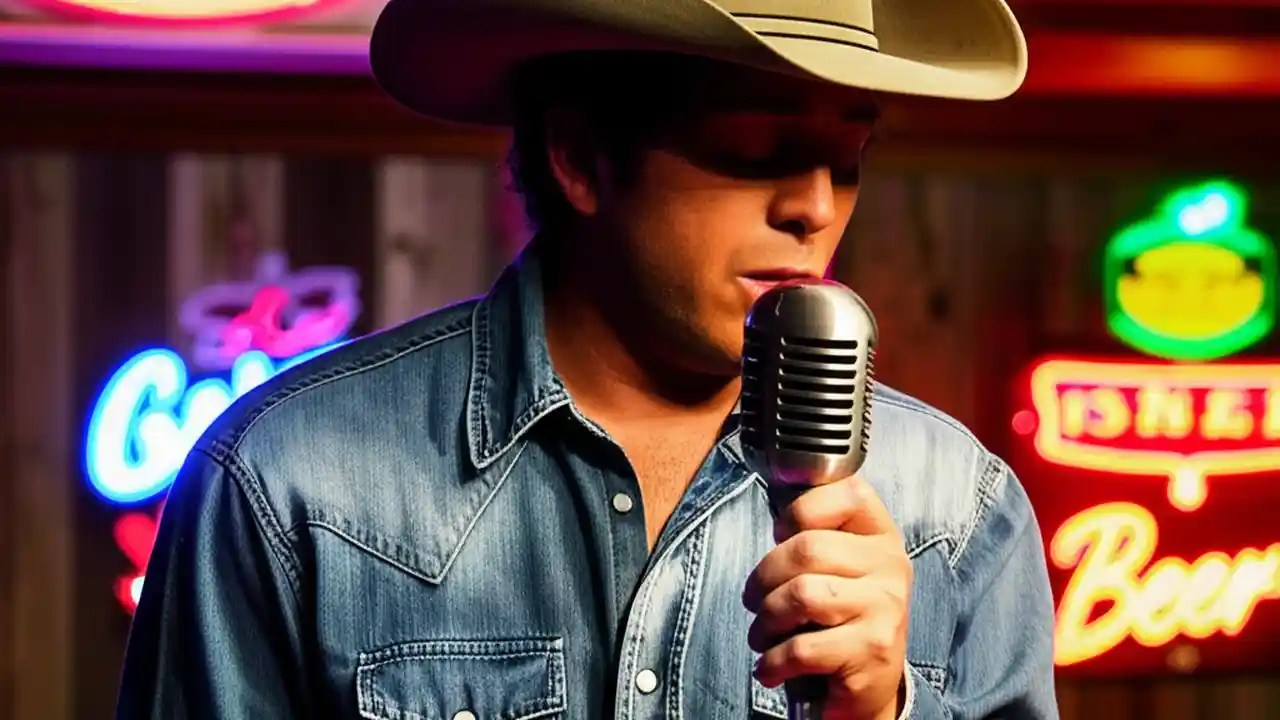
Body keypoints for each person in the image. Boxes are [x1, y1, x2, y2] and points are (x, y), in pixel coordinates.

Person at [115, 1, 1059, 718]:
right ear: (578, 157)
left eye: (847, 157)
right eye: (754, 150)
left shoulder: (956, 511)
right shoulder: (287, 479)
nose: (814, 206)